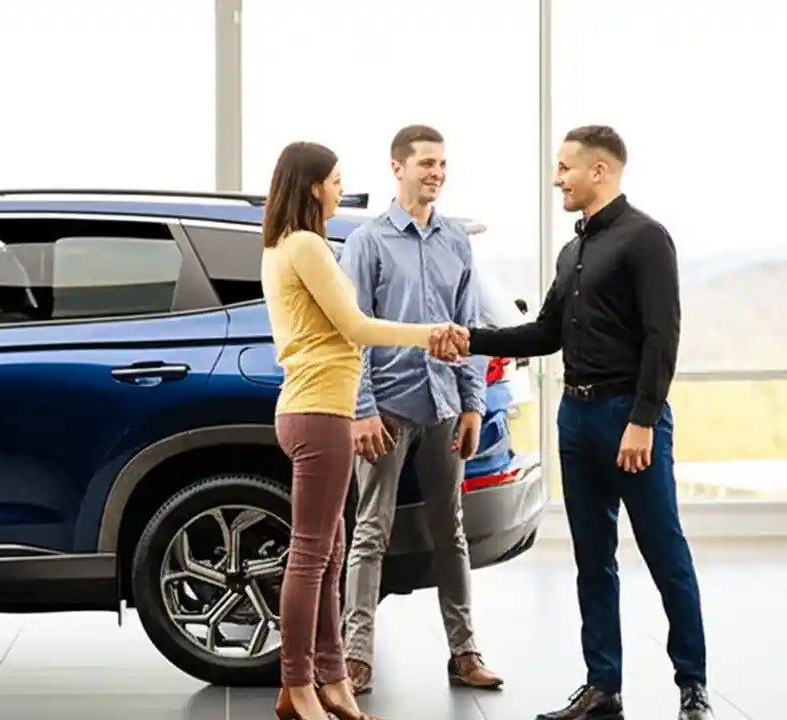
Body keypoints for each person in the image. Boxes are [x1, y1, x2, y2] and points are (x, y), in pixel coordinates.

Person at [446, 125, 712, 720]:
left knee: (664, 550)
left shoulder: (646, 238)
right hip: (576, 416)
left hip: (628, 417)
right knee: (592, 557)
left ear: (601, 171)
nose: (556, 178)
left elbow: (661, 336)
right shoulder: (574, 252)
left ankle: (692, 686)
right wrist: (471, 340)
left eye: (565, 168)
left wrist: (643, 420)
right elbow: (544, 332)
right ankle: (603, 688)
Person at [260, 139, 462, 720]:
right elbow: (354, 325)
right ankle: (296, 685)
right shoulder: (307, 246)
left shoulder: (281, 246)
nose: (339, 190)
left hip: (310, 406)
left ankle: (331, 678)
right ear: (312, 186)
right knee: (310, 553)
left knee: (331, 551)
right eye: (334, 180)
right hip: (321, 410)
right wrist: (429, 334)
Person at [338, 124, 504, 695]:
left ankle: (465, 652)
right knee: (369, 532)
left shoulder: (457, 241)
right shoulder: (368, 242)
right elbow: (350, 334)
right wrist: (362, 409)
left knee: (450, 532)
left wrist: (472, 405)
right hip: (385, 407)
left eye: (442, 165)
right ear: (397, 167)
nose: (436, 173)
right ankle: (355, 657)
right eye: (426, 163)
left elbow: (470, 330)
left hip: (443, 407)